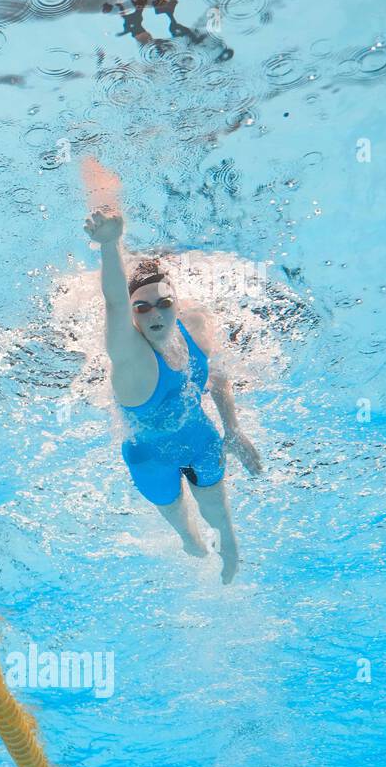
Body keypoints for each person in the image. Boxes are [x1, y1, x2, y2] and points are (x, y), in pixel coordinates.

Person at [83, 205, 263, 583]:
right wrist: (110, 244)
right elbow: (114, 301)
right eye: (142, 307)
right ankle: (191, 540)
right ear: (133, 316)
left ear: (177, 304)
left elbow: (215, 377)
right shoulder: (132, 359)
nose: (155, 313)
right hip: (150, 461)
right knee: (189, 534)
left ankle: (227, 542)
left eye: (164, 303)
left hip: (200, 440)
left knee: (218, 516)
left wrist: (233, 429)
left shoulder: (194, 326)